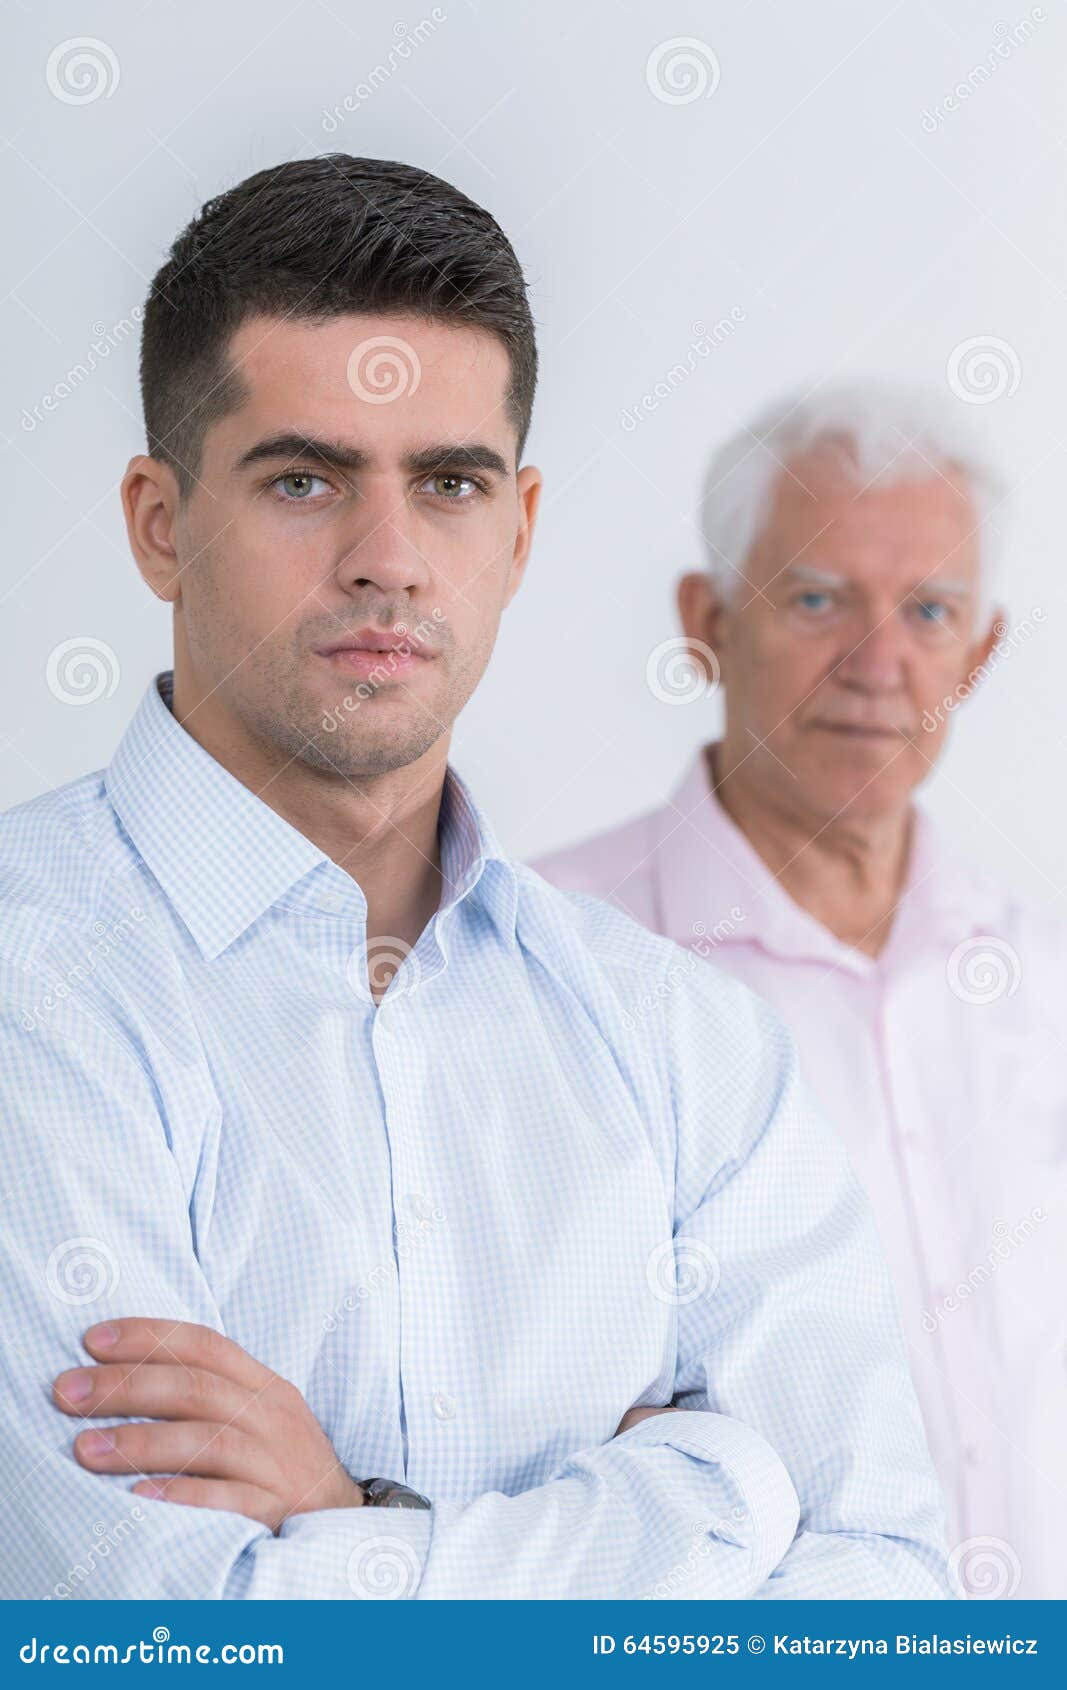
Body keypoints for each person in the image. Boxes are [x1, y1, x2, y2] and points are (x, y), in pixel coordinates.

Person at [0, 164, 948, 1601]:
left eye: (447, 483)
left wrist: (354, 1520)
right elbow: (181, 1629)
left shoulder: (684, 1044)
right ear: (155, 523)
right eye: (303, 479)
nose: (386, 562)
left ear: (515, 530)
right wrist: (705, 1501)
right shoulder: (32, 976)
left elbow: (887, 1595)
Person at [534, 384, 1066, 1599]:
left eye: (927, 611)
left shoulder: (1039, 976)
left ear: (976, 652)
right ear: (703, 620)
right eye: (816, 599)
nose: (878, 664)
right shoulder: (546, 963)